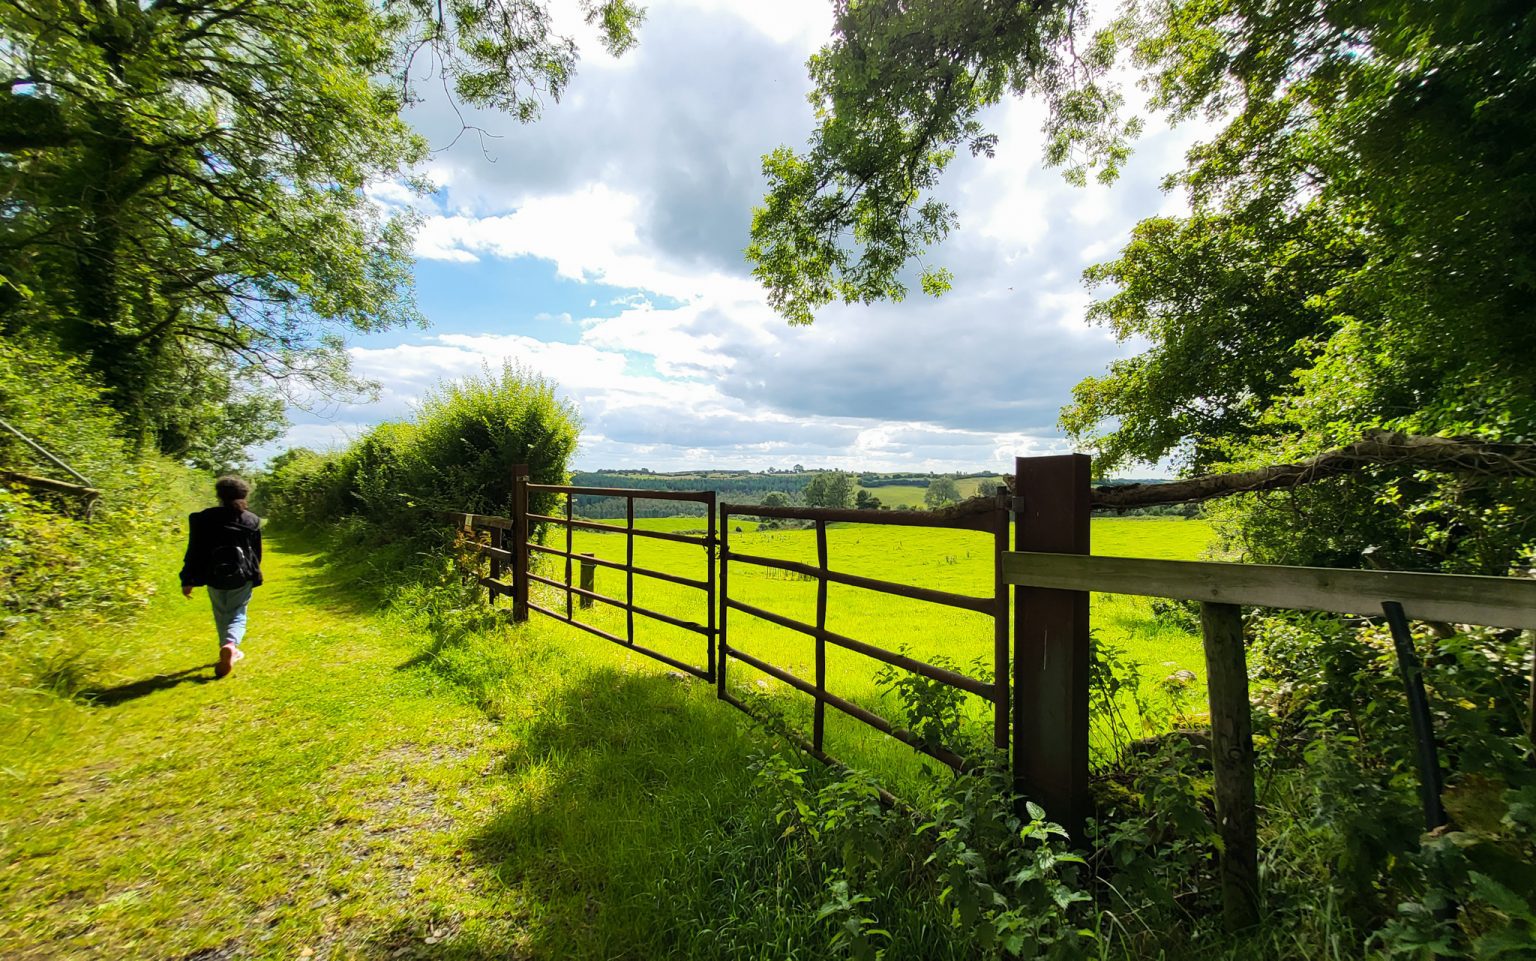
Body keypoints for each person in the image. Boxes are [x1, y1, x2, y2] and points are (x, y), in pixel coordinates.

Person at [179, 475, 264, 678]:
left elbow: (195, 550)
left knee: (221, 611)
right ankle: (230, 645)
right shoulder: (251, 520)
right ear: (244, 495)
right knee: (237, 613)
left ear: (219, 495)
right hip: (241, 576)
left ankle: (226, 647)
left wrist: (188, 578)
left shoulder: (203, 518)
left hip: (214, 575)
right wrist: (254, 574)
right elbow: (256, 553)